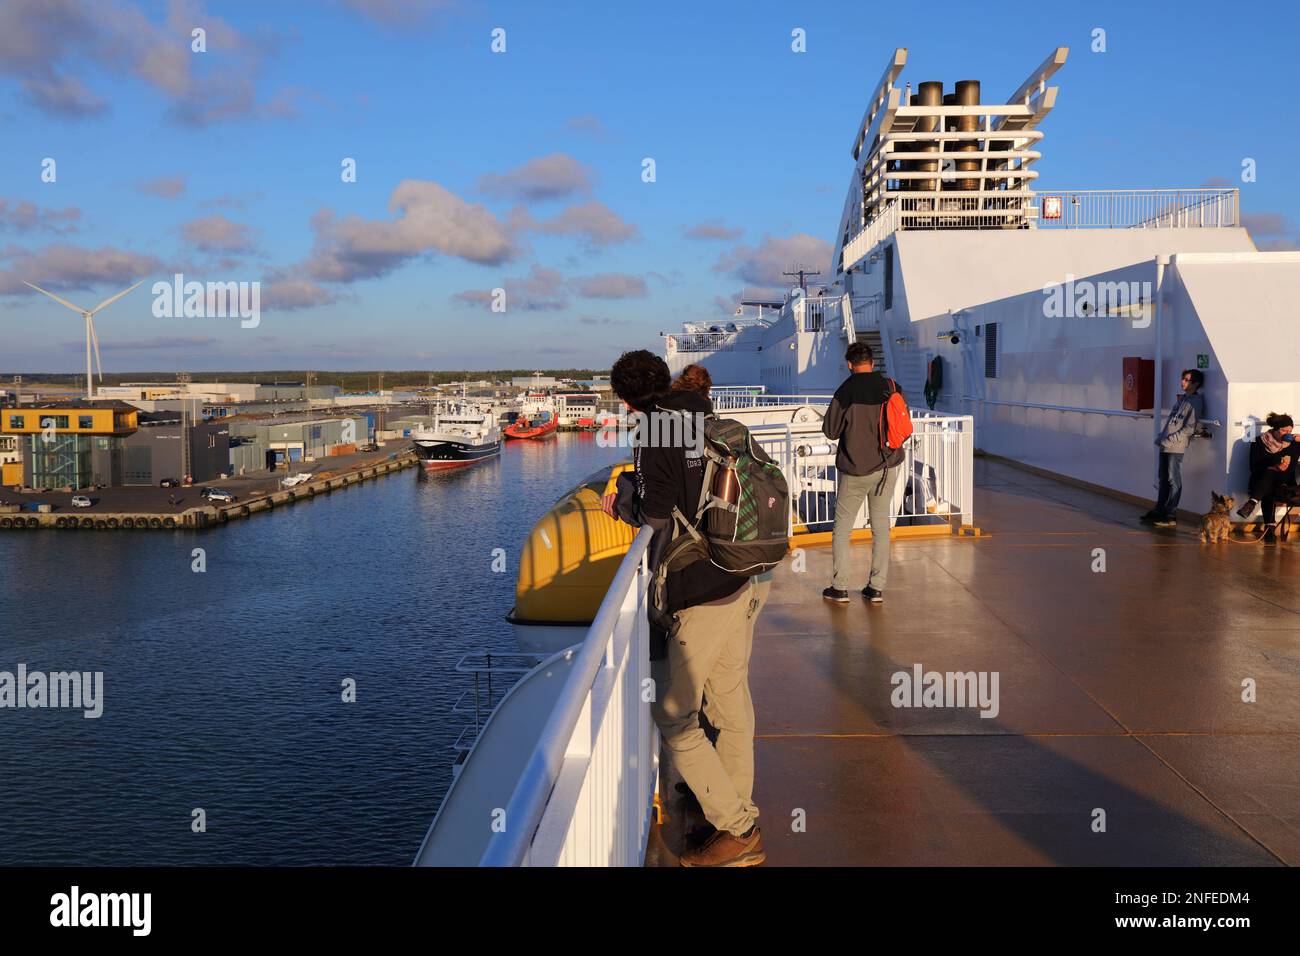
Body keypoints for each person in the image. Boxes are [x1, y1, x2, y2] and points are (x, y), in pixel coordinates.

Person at [602, 349, 766, 867]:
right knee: (730, 702)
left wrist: (623, 498)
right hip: (741, 575)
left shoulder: (655, 431)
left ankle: (738, 830)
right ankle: (736, 813)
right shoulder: (704, 416)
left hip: (699, 586)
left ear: (626, 398)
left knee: (673, 715)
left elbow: (654, 515)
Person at [821, 341, 905, 604]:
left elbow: (831, 431)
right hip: (888, 466)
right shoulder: (891, 387)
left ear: (850, 364)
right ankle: (876, 588)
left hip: (856, 469)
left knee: (842, 529)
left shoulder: (845, 391)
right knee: (880, 527)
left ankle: (840, 587)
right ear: (872, 362)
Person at [1141, 368, 1206, 528]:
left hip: (1175, 447)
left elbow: (1190, 428)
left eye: (1187, 380)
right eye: (1183, 378)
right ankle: (1160, 509)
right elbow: (1172, 421)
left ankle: (1171, 514)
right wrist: (1162, 437)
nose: (1183, 382)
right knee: (1163, 478)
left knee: (1173, 479)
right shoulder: (1183, 399)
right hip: (1166, 444)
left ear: (1196, 384)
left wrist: (1170, 440)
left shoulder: (1195, 402)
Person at [1237, 412, 1298, 542]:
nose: (1287, 433)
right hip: (1262, 482)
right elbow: (1254, 467)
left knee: (1271, 481)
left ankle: (1251, 504)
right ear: (1275, 430)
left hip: (1285, 485)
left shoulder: (1295, 444)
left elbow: (1291, 469)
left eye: (1290, 430)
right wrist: (1275, 466)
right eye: (1284, 430)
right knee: (1269, 480)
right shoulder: (1259, 442)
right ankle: (1269, 529)